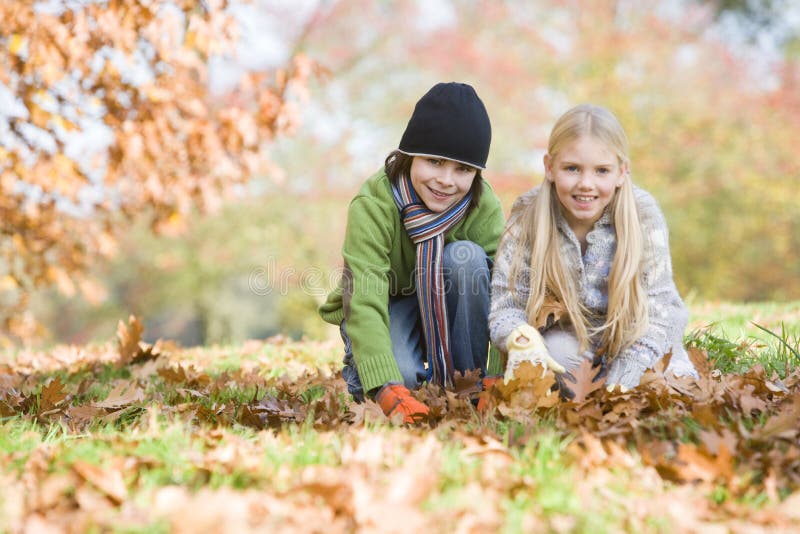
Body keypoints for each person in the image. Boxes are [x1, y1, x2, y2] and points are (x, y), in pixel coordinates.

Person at [319, 82, 505, 422]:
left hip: (447, 298)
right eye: (434, 161)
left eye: (463, 169)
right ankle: (365, 372)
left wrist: (497, 372)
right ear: (409, 155)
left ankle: (468, 384)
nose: (447, 180)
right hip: (387, 303)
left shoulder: (482, 205)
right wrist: (386, 385)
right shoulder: (374, 203)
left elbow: (506, 293)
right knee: (401, 377)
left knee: (467, 258)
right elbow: (364, 295)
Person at [489, 104, 698, 396]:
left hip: (636, 336)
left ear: (622, 172)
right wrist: (518, 337)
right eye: (572, 168)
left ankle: (630, 379)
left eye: (602, 171)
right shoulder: (528, 213)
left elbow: (661, 311)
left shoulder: (642, 214)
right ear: (549, 167)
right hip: (570, 340)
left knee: (672, 387)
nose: (586, 184)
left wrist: (626, 376)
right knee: (558, 361)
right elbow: (506, 305)